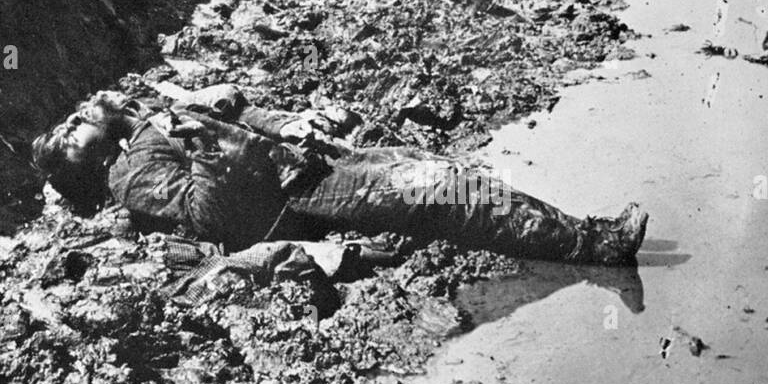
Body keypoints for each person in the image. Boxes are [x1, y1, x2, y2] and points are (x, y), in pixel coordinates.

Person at [32, 84, 648, 265]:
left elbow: (238, 111)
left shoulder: (146, 117)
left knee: (447, 174)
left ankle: (582, 231)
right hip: (301, 195)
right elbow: (209, 216)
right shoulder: (131, 174)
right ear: (87, 166)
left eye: (69, 116)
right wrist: (212, 150)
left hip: (310, 162)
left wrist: (282, 122)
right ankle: (590, 247)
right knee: (441, 192)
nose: (76, 116)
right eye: (68, 134)